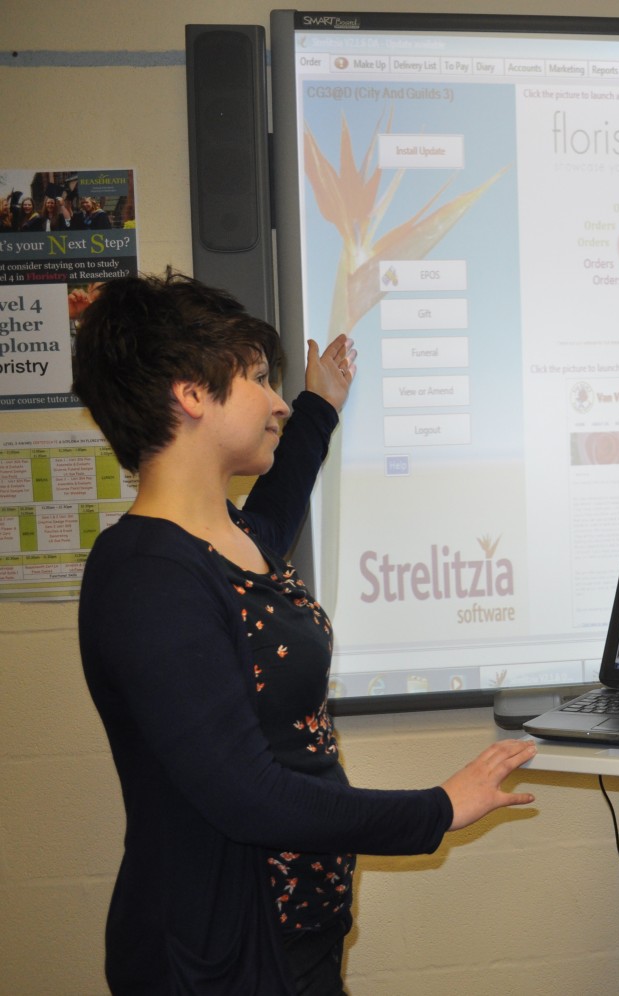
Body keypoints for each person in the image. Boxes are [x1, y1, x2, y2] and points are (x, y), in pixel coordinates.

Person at [73, 271, 538, 995]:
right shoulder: (146, 577)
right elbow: (246, 794)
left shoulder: (230, 539)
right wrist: (437, 808)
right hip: (215, 960)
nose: (278, 402)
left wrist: (323, 403)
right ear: (191, 393)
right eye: (259, 378)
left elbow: (279, 502)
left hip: (297, 938)